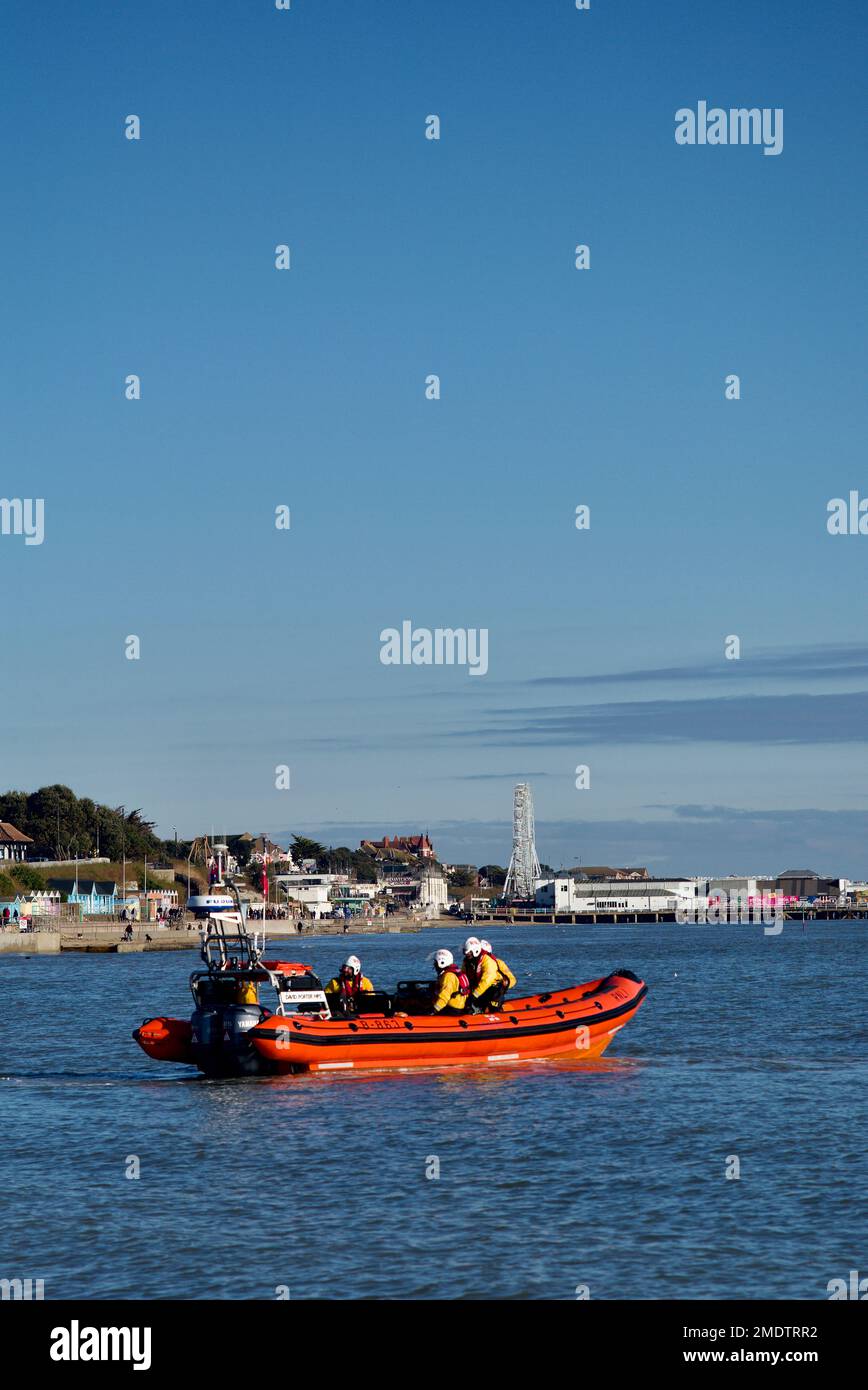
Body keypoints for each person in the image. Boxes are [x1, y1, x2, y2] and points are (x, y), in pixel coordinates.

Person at [463, 936, 515, 1012]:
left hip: (494, 990)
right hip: (480, 989)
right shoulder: (469, 963)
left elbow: (488, 980)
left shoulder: (495, 963)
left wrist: (504, 987)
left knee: (493, 1007)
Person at [430, 949, 470, 1014]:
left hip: (452, 1008)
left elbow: (444, 996)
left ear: (442, 962)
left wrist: (434, 1010)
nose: (434, 965)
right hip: (455, 1005)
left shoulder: (448, 976)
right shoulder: (451, 973)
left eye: (435, 963)